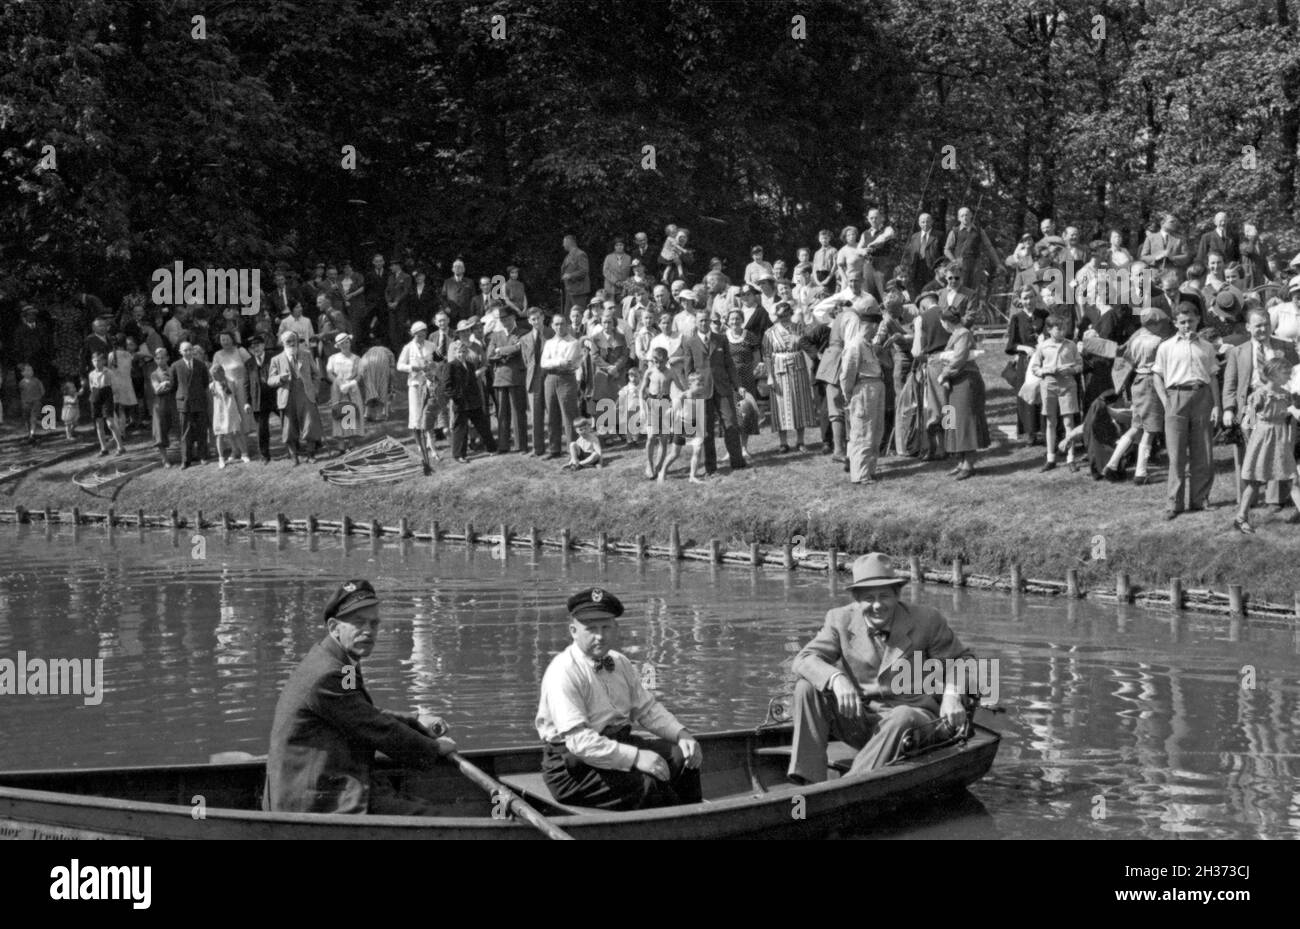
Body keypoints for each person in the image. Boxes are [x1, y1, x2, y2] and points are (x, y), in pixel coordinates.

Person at [264, 580, 457, 814]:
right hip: (317, 801)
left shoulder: (340, 661)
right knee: (431, 819)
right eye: (358, 623)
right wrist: (432, 749)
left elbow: (358, 712)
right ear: (334, 627)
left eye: (374, 624)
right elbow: (374, 727)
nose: (368, 631)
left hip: (328, 782)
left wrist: (416, 720)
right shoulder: (328, 674)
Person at [787, 553, 973, 783]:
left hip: (916, 722)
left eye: (884, 595)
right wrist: (836, 678)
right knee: (806, 687)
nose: (877, 605)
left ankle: (847, 787)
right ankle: (808, 780)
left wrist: (953, 695)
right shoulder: (839, 619)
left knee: (902, 715)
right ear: (857, 599)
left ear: (897, 595)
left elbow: (963, 660)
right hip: (862, 720)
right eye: (868, 598)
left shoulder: (928, 620)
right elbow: (804, 659)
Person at [535, 587, 703, 810]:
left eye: (606, 627)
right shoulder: (563, 672)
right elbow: (579, 743)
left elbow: (647, 709)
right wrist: (636, 758)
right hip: (573, 767)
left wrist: (682, 734)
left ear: (616, 628)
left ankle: (697, 816)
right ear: (573, 631)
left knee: (684, 757)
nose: (600, 636)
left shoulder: (620, 662)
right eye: (591, 629)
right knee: (649, 784)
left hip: (617, 744)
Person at [1223, 308, 1300, 508]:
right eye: (1257, 325)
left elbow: (1296, 377)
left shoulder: (1285, 346)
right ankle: (1249, 497)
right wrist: (1228, 409)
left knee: (1279, 448)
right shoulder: (1237, 351)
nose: (1263, 329)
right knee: (1250, 450)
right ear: (1248, 327)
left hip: (1278, 404)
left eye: (1266, 324)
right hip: (1251, 405)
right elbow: (1230, 384)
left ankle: (1276, 498)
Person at [1153, 303, 1221, 519]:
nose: (1186, 325)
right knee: (1176, 453)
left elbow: (1212, 377)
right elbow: (1157, 375)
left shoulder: (1207, 347)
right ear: (1175, 323)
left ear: (1198, 320)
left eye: (1190, 321)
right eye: (1182, 322)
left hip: (1201, 396)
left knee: (1203, 450)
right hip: (1176, 396)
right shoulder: (1166, 347)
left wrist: (1217, 405)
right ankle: (1174, 503)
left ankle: (1200, 499)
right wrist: (1165, 401)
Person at [1233, 357, 1300, 532]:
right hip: (1262, 440)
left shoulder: (1285, 395)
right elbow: (1247, 423)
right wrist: (1252, 444)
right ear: (1274, 375)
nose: (1289, 377)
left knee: (1292, 478)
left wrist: (1289, 441)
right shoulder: (1259, 395)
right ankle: (1240, 518)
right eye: (1286, 374)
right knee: (1255, 481)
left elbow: (1290, 421)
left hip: (1281, 440)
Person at [1101, 307, 1167, 483]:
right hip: (1151, 382)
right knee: (1150, 429)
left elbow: (1127, 359)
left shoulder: (1135, 340)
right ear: (1154, 323)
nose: (1162, 326)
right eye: (1160, 323)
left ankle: (1112, 464)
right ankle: (1141, 472)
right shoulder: (1158, 341)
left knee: (1136, 426)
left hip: (1137, 381)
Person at [936, 305, 989, 479]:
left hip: (966, 380)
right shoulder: (956, 335)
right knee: (954, 420)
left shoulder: (963, 334)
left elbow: (959, 359)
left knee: (966, 420)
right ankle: (961, 460)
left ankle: (969, 463)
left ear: (945, 322)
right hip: (956, 381)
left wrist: (944, 374)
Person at [839, 301, 887, 484]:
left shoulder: (867, 344)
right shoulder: (855, 345)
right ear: (873, 325)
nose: (877, 331)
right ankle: (860, 474)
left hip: (874, 387)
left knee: (875, 431)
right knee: (863, 431)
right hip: (864, 389)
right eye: (877, 327)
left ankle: (869, 469)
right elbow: (847, 373)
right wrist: (848, 394)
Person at [1030, 313, 1082, 472]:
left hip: (1067, 385)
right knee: (1051, 422)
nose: (1063, 332)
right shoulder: (1043, 346)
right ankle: (1050, 457)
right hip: (1049, 385)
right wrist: (1047, 370)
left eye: (1064, 328)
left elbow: (1080, 365)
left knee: (1068, 422)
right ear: (1049, 330)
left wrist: (1072, 370)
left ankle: (1070, 457)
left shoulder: (1071, 345)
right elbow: (1035, 368)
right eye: (1058, 329)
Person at [762, 301, 817, 452]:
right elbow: (767, 356)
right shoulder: (769, 333)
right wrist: (770, 376)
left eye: (787, 314)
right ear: (776, 316)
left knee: (800, 402)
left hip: (798, 368)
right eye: (780, 315)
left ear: (791, 314)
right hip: (779, 369)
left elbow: (808, 346)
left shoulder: (798, 328)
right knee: (780, 404)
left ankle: (800, 441)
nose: (784, 318)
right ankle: (783, 442)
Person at [268, 331, 322, 465]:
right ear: (283, 343)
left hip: (306, 394)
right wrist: (280, 378)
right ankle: (294, 456)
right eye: (288, 341)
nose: (292, 344)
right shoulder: (276, 360)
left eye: (294, 341)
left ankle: (311, 454)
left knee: (310, 424)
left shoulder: (306, 355)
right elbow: (270, 380)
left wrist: (315, 389)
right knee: (289, 427)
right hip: (287, 396)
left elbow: (316, 374)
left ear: (297, 341)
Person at [443, 338, 498, 462]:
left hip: (473, 401)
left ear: (466, 352)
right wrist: (457, 397)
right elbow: (446, 387)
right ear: (455, 353)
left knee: (483, 426)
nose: (461, 354)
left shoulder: (470, 365)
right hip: (460, 403)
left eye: (463, 352)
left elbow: (473, 383)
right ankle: (459, 455)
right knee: (460, 429)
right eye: (459, 352)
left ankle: (492, 448)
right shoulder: (450, 366)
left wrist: (477, 397)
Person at [541, 312, 583, 458]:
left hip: (566, 379)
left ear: (567, 325)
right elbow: (543, 363)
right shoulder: (549, 343)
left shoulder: (573, 342)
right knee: (552, 413)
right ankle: (554, 449)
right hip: (550, 379)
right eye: (556, 324)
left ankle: (574, 448)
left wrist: (554, 362)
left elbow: (568, 363)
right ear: (552, 326)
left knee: (569, 414)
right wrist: (558, 362)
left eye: (562, 323)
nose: (559, 327)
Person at [170, 341, 209, 467]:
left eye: (190, 349)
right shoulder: (175, 366)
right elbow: (173, 385)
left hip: (199, 401)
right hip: (184, 402)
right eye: (185, 350)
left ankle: (203, 456)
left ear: (193, 350)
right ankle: (186, 460)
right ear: (180, 352)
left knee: (202, 430)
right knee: (185, 432)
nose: (188, 352)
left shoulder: (201, 365)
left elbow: (205, 383)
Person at [326, 333, 364, 453]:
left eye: (347, 342)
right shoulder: (333, 358)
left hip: (352, 388)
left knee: (351, 412)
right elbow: (329, 373)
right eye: (342, 343)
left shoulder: (356, 358)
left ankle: (351, 443)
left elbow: (359, 375)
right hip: (338, 388)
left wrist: (350, 384)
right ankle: (341, 445)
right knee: (339, 413)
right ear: (338, 345)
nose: (345, 345)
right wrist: (339, 383)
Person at [88, 352, 125, 456]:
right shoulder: (91, 374)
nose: (96, 363)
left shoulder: (108, 372)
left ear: (103, 361)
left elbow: (115, 387)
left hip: (106, 395)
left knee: (110, 423)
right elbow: (92, 386)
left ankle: (120, 447)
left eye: (99, 360)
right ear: (92, 362)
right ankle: (103, 448)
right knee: (98, 423)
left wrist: (112, 398)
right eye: (94, 361)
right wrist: (94, 396)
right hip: (96, 395)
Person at [209, 363, 241, 469]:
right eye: (213, 375)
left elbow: (232, 394)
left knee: (233, 432)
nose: (214, 377)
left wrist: (224, 384)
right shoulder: (212, 385)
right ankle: (221, 457)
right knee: (219, 435)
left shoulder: (230, 381)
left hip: (230, 410)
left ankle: (237, 451)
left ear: (222, 372)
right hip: (219, 412)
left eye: (216, 374)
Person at [561, 234, 591, 313]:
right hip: (570, 290)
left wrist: (570, 275)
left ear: (569, 242)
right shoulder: (568, 255)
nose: (563, 245)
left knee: (579, 313)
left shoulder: (580, 254)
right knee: (568, 315)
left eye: (564, 242)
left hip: (579, 290)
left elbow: (584, 271)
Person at [17, 364, 43, 444]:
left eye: (31, 370)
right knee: (27, 419)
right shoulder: (21, 383)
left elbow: (42, 390)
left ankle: (32, 434)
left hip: (35, 402)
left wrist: (38, 398)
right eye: (27, 370)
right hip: (25, 404)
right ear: (22, 373)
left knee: (33, 418)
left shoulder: (36, 381)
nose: (30, 372)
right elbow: (21, 393)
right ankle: (29, 434)